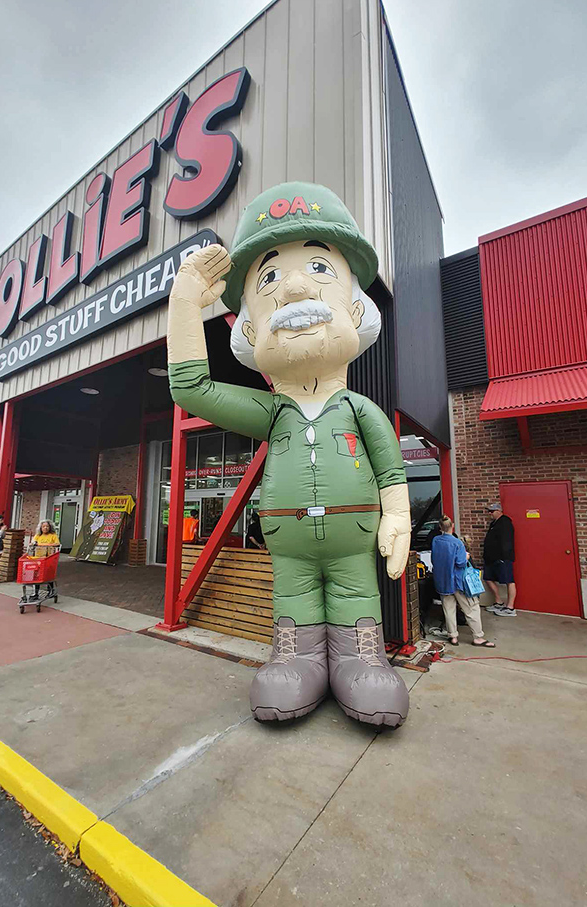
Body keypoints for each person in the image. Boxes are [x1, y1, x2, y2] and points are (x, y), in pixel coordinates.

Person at [168, 181, 411, 727]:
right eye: (271, 277)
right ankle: (295, 655)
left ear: (355, 306)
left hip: (352, 540)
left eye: (320, 269)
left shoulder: (357, 407)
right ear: (250, 330)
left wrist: (397, 513)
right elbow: (190, 388)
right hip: (289, 545)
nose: (296, 287)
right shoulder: (270, 411)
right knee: (294, 599)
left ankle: (363, 658)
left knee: (356, 593)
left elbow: (388, 463)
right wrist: (185, 307)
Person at [431, 516, 495, 647]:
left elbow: (434, 559)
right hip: (458, 582)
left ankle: (452, 636)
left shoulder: (435, 541)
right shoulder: (457, 543)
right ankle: (478, 637)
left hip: (443, 582)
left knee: (448, 609)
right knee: (471, 608)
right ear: (452, 526)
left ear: (440, 527)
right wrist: (465, 557)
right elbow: (460, 563)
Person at [483, 503, 516, 617]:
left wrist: (503, 556)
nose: (489, 514)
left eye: (491, 511)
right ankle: (499, 602)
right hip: (491, 558)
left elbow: (506, 541)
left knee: (509, 580)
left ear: (498, 511)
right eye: (489, 511)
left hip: (503, 558)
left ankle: (510, 607)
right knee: (487, 577)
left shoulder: (505, 522)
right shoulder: (493, 524)